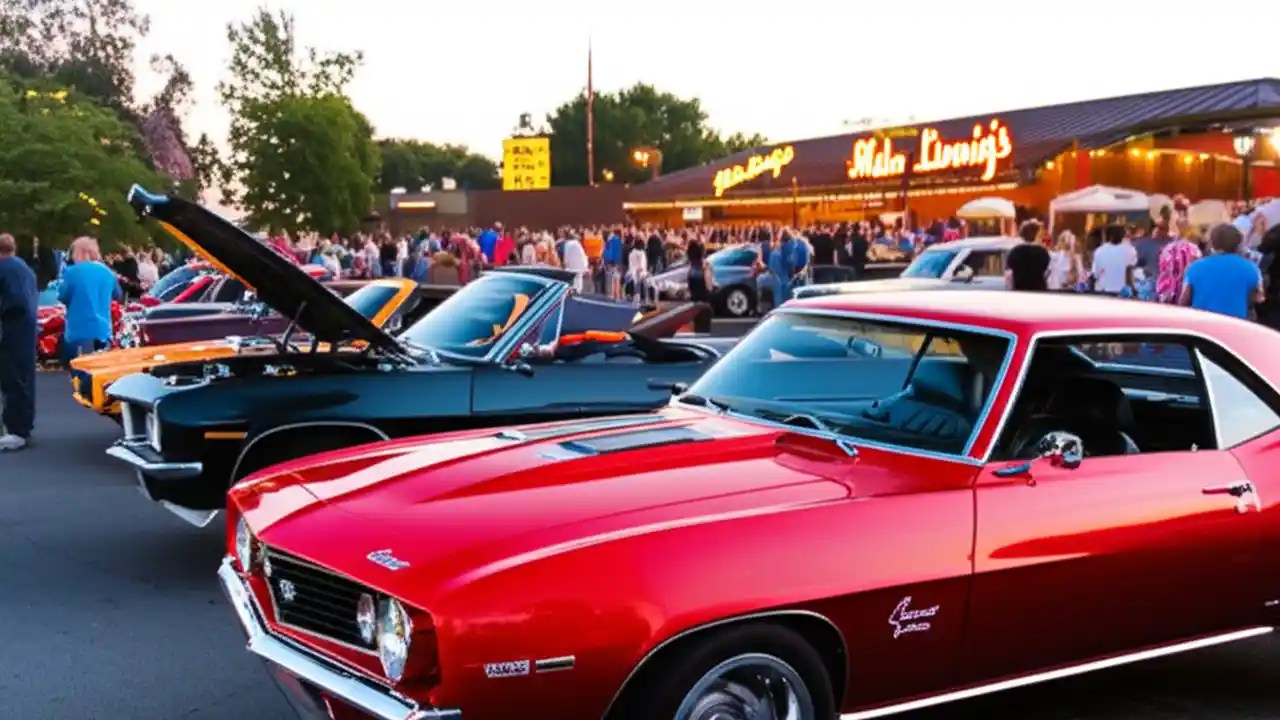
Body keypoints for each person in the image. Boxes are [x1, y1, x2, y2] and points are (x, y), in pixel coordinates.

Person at [0, 233, 38, 451]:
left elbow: (15, 302)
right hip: (25, 330)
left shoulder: (5, 269)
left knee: (12, 380)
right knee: (22, 378)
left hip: (11, 331)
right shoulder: (23, 268)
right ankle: (21, 425)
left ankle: (16, 429)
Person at [1179, 223, 1264, 319]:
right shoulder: (1251, 268)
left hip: (1202, 325)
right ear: (1239, 244)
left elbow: (1183, 300)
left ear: (1212, 243)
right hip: (1236, 326)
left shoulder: (1195, 267)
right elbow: (1259, 298)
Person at [58, 236, 121, 363]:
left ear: (81, 252)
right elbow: (117, 294)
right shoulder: (108, 272)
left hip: (79, 331)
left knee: (79, 373)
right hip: (103, 331)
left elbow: (62, 296)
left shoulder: (71, 272)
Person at [1005, 220, 1050, 291]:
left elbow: (1009, 269)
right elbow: (1047, 270)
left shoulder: (1014, 251)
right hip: (1039, 291)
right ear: (1036, 234)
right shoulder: (1042, 252)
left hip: (1019, 290)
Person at [1090, 224, 1135, 296]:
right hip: (1123, 292)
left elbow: (1095, 274)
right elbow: (1130, 273)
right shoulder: (1130, 250)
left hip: (1103, 291)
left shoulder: (1100, 251)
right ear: (1123, 236)